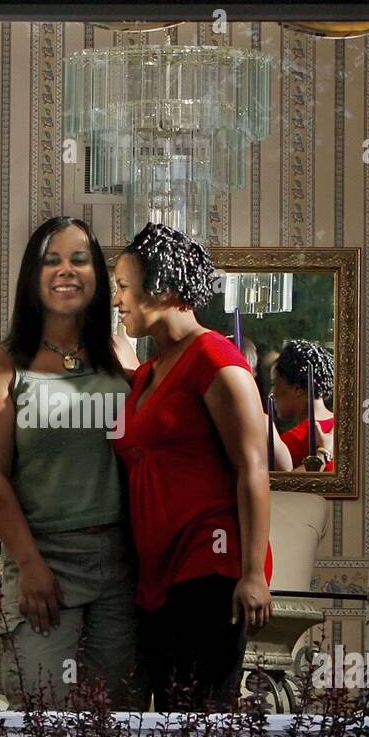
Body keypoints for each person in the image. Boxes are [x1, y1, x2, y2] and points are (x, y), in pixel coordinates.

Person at [0, 216, 142, 709]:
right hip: (45, 558)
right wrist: (29, 565)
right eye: (52, 260)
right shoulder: (3, 364)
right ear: (33, 275)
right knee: (44, 721)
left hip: (121, 560)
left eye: (79, 259)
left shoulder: (117, 352)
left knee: (119, 722)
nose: (66, 271)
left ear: (97, 274)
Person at [110, 222, 272, 712]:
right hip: (157, 575)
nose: (117, 301)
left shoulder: (216, 360)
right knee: (164, 733)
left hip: (212, 565)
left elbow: (253, 468)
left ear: (159, 287)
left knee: (198, 733)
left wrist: (252, 574)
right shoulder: (150, 371)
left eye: (122, 287)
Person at [271, 340, 335, 472]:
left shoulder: (292, 441)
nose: (272, 393)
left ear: (297, 388)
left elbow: (283, 489)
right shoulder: (345, 428)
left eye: (275, 385)